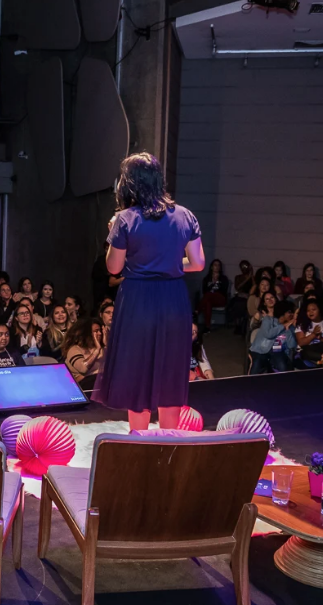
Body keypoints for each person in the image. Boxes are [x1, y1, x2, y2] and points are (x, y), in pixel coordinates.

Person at [93, 152, 205, 431]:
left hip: (138, 300)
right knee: (170, 371)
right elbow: (198, 263)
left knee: (137, 370)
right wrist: (168, 264)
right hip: (173, 300)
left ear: (128, 183)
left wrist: (113, 235)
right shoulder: (185, 215)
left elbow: (114, 268)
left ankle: (138, 441)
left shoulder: (125, 219)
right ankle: (169, 442)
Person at [249, 300, 299, 374]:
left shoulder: (290, 326)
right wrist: (283, 326)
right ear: (282, 312)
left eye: (292, 312)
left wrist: (288, 329)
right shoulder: (268, 320)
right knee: (257, 364)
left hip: (278, 351)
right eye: (289, 312)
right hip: (261, 350)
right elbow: (268, 334)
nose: (291, 314)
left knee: (283, 366)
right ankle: (251, 384)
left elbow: (292, 345)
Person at [62, 317, 105, 390]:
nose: (100, 333)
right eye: (96, 331)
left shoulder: (103, 349)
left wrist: (107, 345)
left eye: (100, 330)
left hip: (100, 384)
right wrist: (97, 350)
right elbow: (83, 368)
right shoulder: (74, 349)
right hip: (82, 387)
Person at [197, 259, 229, 332]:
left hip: (220, 299)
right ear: (211, 267)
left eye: (218, 265)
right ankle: (207, 327)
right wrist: (213, 283)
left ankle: (196, 311)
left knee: (208, 295)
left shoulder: (224, 278)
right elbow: (204, 291)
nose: (217, 267)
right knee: (208, 302)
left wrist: (216, 282)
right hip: (209, 298)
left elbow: (224, 291)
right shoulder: (207, 278)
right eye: (215, 265)